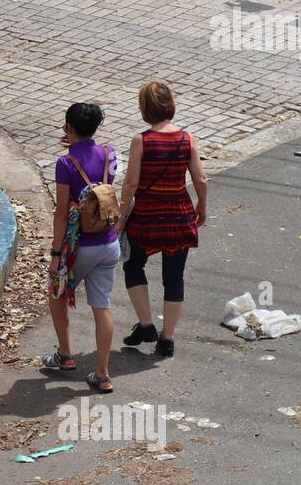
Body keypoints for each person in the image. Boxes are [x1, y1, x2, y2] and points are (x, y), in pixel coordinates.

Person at [119, 81, 207, 359]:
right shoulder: (187, 138)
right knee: (174, 277)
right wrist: (201, 206)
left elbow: (131, 184)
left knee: (134, 266)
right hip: (179, 216)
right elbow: (200, 178)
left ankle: (146, 325)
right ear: (170, 105)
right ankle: (167, 339)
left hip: (146, 217)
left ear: (145, 109)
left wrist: (120, 218)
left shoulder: (141, 140)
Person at [42, 102, 120, 392]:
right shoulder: (109, 154)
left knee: (57, 293)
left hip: (79, 247)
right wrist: (79, 141)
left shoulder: (64, 164)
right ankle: (102, 373)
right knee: (102, 307)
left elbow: (61, 213)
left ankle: (65, 355)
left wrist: (55, 254)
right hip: (109, 243)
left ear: (68, 127)